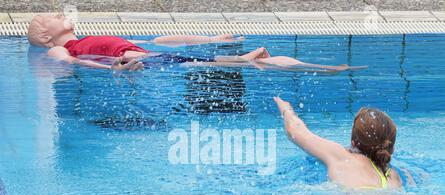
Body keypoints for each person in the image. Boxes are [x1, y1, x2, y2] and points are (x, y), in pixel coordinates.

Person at [28, 13, 366, 72]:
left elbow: (161, 39)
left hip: (148, 55)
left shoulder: (90, 38)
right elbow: (70, 64)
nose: (58, 13)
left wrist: (210, 38)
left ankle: (251, 59)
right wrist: (113, 66)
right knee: (228, 64)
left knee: (209, 61)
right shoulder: (64, 47)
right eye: (51, 18)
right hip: (137, 60)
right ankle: (322, 67)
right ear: (46, 36)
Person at [274, 97, 403, 190]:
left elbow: (295, 131)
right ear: (391, 148)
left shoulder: (341, 156)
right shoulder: (392, 176)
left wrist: (286, 109)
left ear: (353, 142)